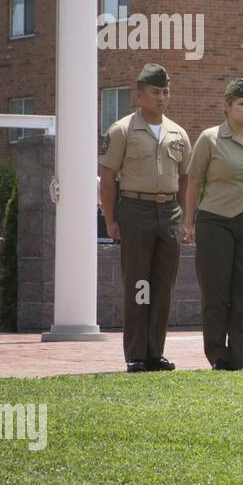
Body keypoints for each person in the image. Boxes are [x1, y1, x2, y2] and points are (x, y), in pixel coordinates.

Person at [98, 62, 192, 372]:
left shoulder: (177, 133)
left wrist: (185, 219)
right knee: (139, 284)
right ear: (140, 95)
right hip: (135, 210)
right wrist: (110, 219)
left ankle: (156, 352)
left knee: (163, 285)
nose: (162, 97)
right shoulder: (122, 130)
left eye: (166, 91)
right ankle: (137, 353)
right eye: (156, 92)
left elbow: (185, 180)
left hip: (169, 213)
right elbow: (108, 177)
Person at [183, 78, 243, 370]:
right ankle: (218, 355)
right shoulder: (210, 139)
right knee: (216, 290)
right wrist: (189, 223)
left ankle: (241, 357)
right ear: (227, 106)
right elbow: (194, 183)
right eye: (242, 103)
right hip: (216, 222)